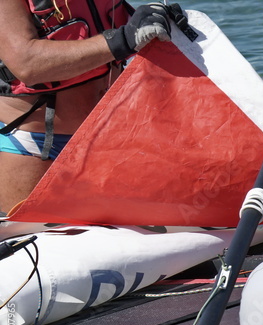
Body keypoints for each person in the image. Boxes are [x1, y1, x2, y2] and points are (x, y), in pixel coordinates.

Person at [0, 0, 173, 214]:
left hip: (114, 137)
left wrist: (158, 20)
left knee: (146, 239)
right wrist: (123, 39)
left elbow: (117, 22)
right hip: (37, 148)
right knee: (40, 243)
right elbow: (27, 63)